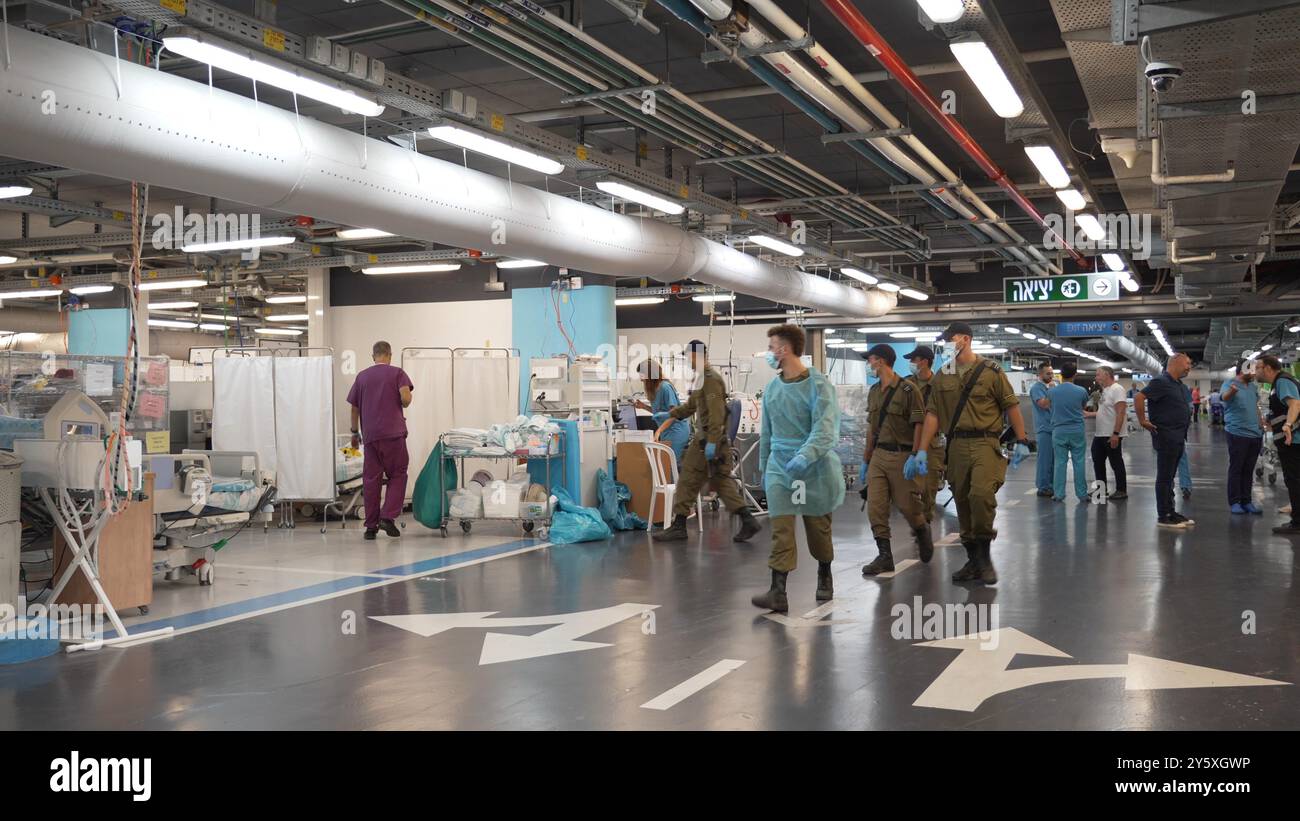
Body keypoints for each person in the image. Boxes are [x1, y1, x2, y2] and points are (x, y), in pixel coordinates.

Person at [908, 322, 1031, 585]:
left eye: (950, 338)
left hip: (985, 442)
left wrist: (1022, 440)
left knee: (981, 494)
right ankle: (973, 559)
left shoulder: (991, 371)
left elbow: (1011, 405)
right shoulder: (944, 375)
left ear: (965, 339)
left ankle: (985, 559)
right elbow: (932, 414)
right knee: (962, 500)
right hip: (956, 445)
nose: (947, 344)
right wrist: (920, 450)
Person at [751, 325, 843, 612]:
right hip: (780, 466)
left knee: (818, 528)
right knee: (781, 530)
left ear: (784, 349)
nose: (769, 352)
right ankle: (778, 591)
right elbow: (766, 431)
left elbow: (825, 428)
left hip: (813, 468)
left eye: (771, 346)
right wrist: (765, 467)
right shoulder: (773, 389)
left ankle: (824, 573)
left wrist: (806, 454)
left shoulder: (818, 385)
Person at [654, 340, 762, 542]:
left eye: (688, 357)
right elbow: (691, 407)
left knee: (688, 479)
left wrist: (712, 442)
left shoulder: (711, 379)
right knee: (721, 483)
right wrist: (669, 414)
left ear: (696, 355)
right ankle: (748, 521)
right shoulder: (701, 380)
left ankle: (679, 526)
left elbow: (716, 414)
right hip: (707, 441)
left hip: (709, 442)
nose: (687, 361)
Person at [859, 344, 933, 576]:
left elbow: (918, 423)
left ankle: (921, 529)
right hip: (879, 455)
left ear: (880, 361)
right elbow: (872, 427)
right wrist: (866, 458)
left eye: (870, 359)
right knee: (876, 506)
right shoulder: (873, 391)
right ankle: (884, 555)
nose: (868, 364)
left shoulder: (908, 390)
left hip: (902, 455)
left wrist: (915, 454)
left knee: (907, 506)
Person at [347, 340, 414, 540]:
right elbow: (406, 400)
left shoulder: (362, 377)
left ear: (373, 356)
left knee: (370, 480)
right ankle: (388, 516)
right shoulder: (397, 373)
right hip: (393, 435)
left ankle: (370, 527)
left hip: (370, 436)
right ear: (390, 355)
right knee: (398, 474)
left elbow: (354, 408)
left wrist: (353, 432)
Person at [1134, 352, 1195, 529]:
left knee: (1170, 477)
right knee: (1164, 477)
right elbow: (1139, 397)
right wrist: (1142, 420)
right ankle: (1163, 515)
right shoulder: (1161, 382)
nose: (1189, 367)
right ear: (1175, 362)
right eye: (1187, 363)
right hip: (1166, 436)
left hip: (1178, 437)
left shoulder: (1179, 385)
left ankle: (1171, 511)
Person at [1255, 355, 1300, 535]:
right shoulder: (1277, 384)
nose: (1255, 371)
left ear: (1267, 368)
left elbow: (1295, 404)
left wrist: (1288, 425)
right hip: (1289, 440)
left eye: (1258, 367)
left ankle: (1298, 522)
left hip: (1293, 440)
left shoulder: (1282, 381)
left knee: (1294, 480)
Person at [903, 346, 944, 523]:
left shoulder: (939, 386)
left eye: (914, 359)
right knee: (906, 491)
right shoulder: (905, 385)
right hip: (907, 442)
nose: (911, 363)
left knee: (928, 490)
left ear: (924, 362)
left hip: (931, 445)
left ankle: (925, 525)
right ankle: (916, 524)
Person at [1220, 361, 1266, 514]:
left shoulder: (1252, 387)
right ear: (1242, 370)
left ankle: (1246, 501)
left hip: (1255, 433)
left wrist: (1261, 424)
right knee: (1237, 468)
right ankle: (1235, 501)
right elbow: (1225, 398)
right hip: (1237, 432)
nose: (1254, 374)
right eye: (1252, 370)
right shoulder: (1229, 383)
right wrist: (1232, 391)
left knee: (1248, 469)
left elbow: (1255, 406)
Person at [1047, 362, 1089, 503]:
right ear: (1075, 374)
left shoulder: (1051, 392)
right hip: (1077, 430)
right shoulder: (1081, 391)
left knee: (1060, 462)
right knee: (1079, 462)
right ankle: (1082, 494)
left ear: (1061, 374)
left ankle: (1059, 494)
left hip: (1059, 431)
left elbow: (1049, 405)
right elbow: (1082, 407)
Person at [1085, 365, 1128, 500]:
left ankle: (1121, 490)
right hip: (1100, 434)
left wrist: (1115, 434)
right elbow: (1104, 412)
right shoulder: (1105, 390)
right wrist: (1089, 414)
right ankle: (1101, 490)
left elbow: (1121, 412)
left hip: (1111, 434)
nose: (1096, 377)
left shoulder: (1117, 389)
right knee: (1097, 461)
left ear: (1107, 375)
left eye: (1098, 374)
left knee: (1116, 463)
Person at [636, 359, 689, 463]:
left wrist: (659, 430)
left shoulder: (665, 387)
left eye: (642, 376)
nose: (641, 380)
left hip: (676, 431)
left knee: (668, 466)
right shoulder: (655, 389)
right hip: (666, 431)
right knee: (665, 466)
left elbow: (674, 414)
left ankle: (675, 480)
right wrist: (643, 407)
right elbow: (659, 413)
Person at [1029, 362, 1055, 497]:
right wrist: (1052, 391)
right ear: (1040, 374)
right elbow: (1044, 404)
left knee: (1053, 460)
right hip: (1044, 428)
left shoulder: (1049, 388)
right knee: (1045, 460)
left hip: (1054, 428)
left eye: (1052, 373)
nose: (1051, 376)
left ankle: (1051, 485)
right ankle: (1043, 487)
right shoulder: (1036, 389)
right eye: (1048, 373)